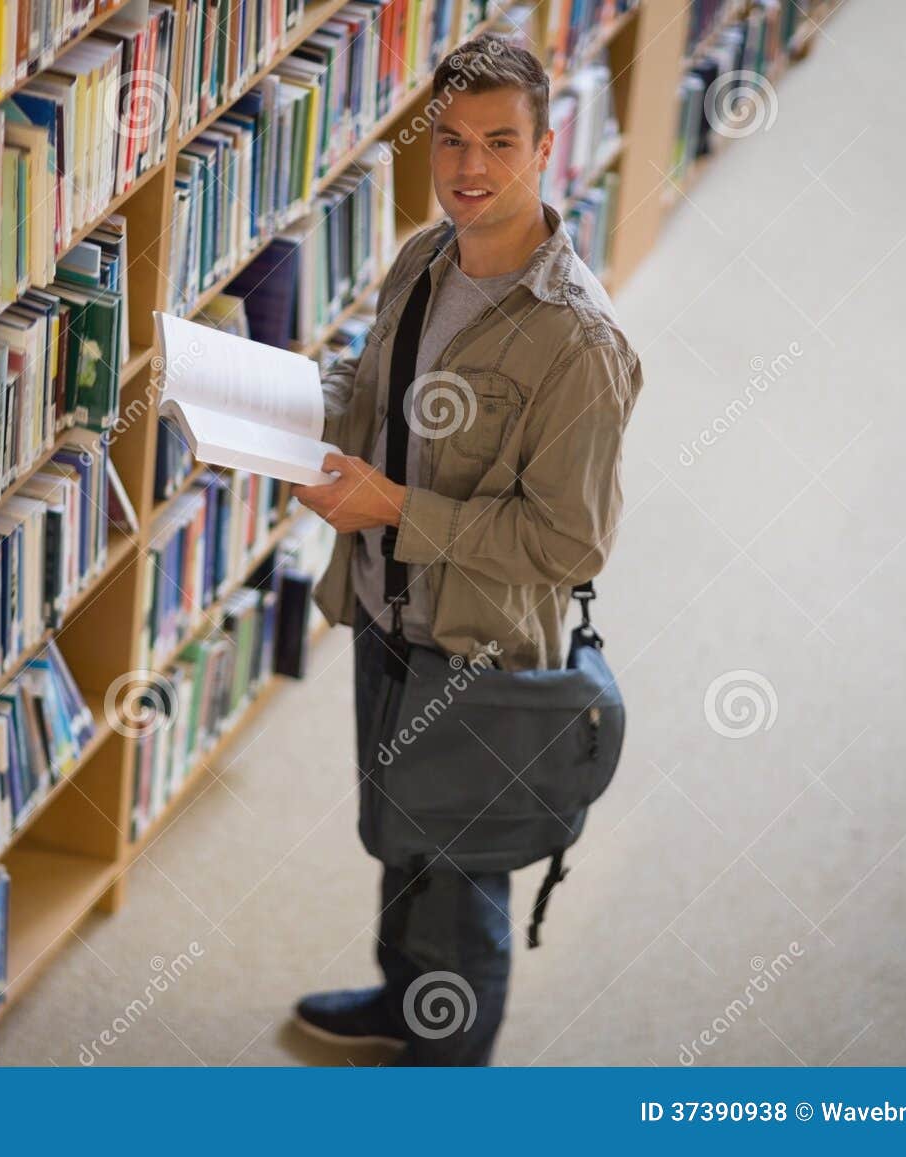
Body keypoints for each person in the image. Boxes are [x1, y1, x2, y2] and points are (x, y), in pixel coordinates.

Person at [287, 33, 644, 1065]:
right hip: (385, 613)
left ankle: (448, 1068)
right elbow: (373, 394)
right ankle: (407, 999)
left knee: (460, 876)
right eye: (449, 141)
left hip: (477, 649)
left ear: (544, 148)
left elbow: (570, 539)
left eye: (499, 142)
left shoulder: (577, 341)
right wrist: (266, 402)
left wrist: (393, 503)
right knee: (403, 840)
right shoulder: (424, 256)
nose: (469, 169)